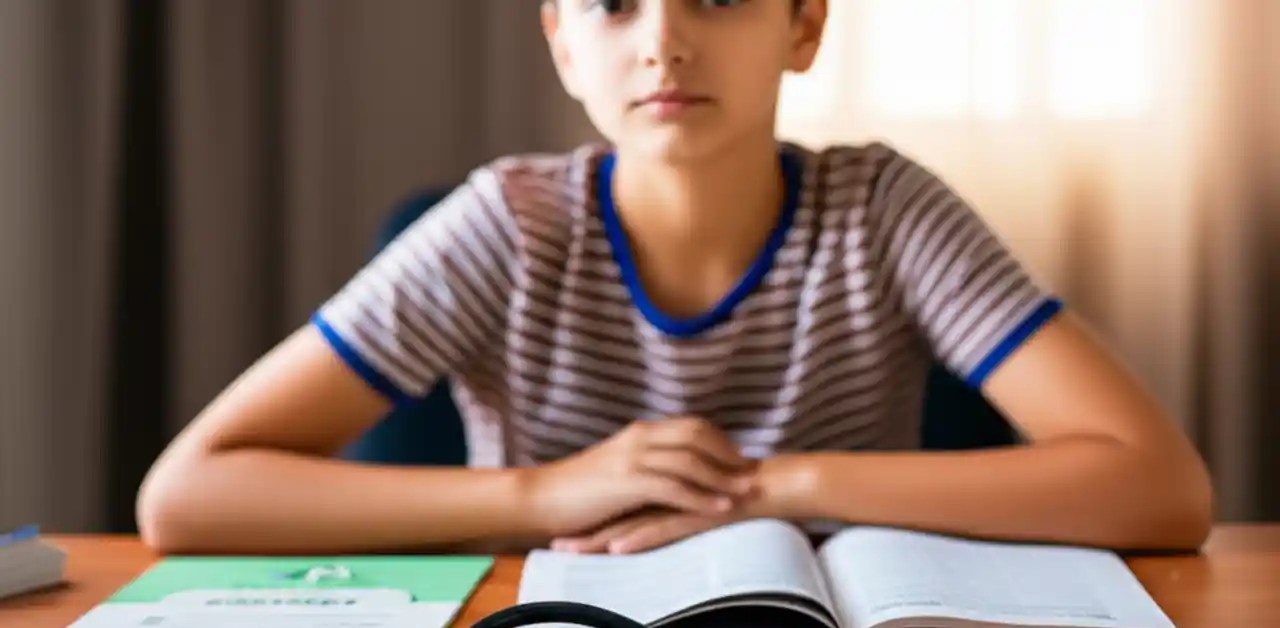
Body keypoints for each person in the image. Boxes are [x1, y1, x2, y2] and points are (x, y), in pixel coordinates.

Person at [136, 0, 1213, 556]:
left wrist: (768, 484)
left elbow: (1158, 487)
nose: (663, 44)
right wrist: (545, 492)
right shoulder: (507, 226)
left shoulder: (881, 211)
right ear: (561, 43)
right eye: (612, 4)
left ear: (802, 26)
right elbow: (186, 494)